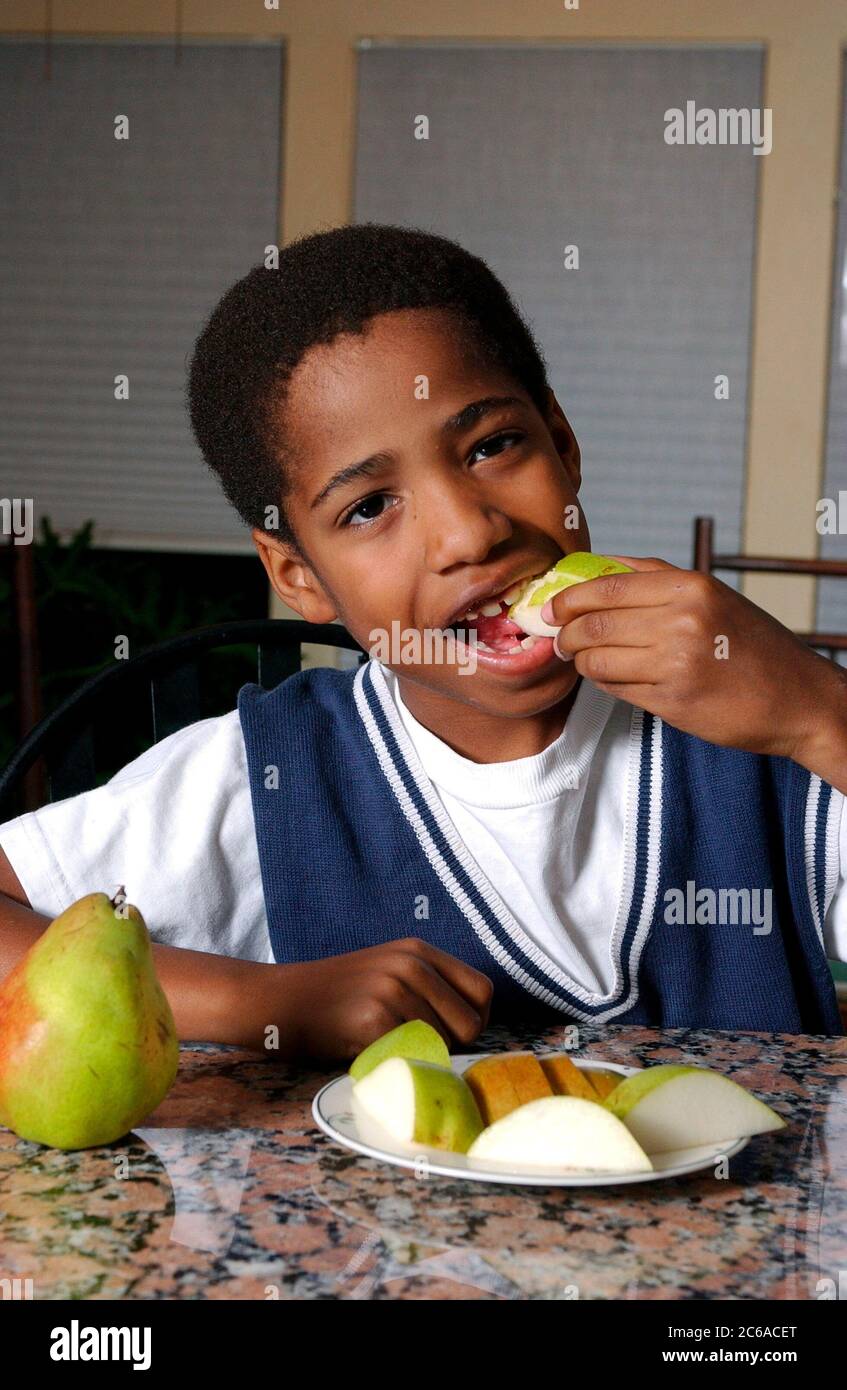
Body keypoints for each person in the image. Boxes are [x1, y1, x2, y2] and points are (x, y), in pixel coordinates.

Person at [1, 222, 845, 1060]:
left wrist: (818, 711)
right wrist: (261, 999)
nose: (466, 534)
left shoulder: (766, 734)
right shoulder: (265, 778)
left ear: (562, 444)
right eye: (368, 507)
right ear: (296, 575)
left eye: (492, 447)